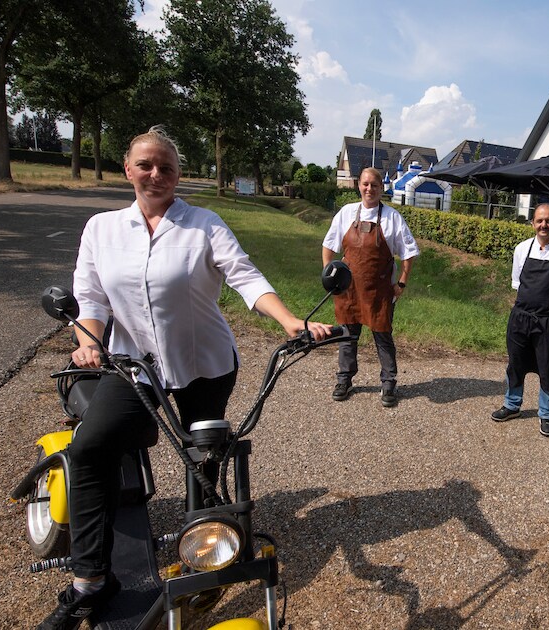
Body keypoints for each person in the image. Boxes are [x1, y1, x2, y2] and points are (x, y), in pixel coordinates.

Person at [39, 127, 332, 630]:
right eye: (146, 165)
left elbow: (243, 275)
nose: (156, 174)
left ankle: (206, 555)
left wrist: (290, 322)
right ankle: (90, 581)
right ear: (128, 169)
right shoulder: (101, 229)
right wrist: (87, 341)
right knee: (90, 448)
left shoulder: (204, 224)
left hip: (204, 363)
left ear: (178, 175)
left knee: (204, 461)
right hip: (133, 364)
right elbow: (90, 299)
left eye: (167, 167)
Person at [322, 167, 420, 408]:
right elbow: (328, 245)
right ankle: (344, 379)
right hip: (348, 290)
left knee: (383, 337)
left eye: (374, 185)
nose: (369, 189)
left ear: (381, 188)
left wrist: (402, 281)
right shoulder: (346, 213)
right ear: (359, 186)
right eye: (365, 184)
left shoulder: (392, 217)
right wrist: (329, 275)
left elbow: (409, 252)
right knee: (347, 337)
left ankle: (388, 382)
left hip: (380, 292)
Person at [490, 203, 549, 437]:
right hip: (520, 318)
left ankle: (547, 414)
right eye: (539, 220)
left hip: (548, 321)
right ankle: (512, 406)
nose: (544, 225)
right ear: (533, 223)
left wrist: (547, 308)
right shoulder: (522, 249)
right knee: (516, 362)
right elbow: (517, 284)